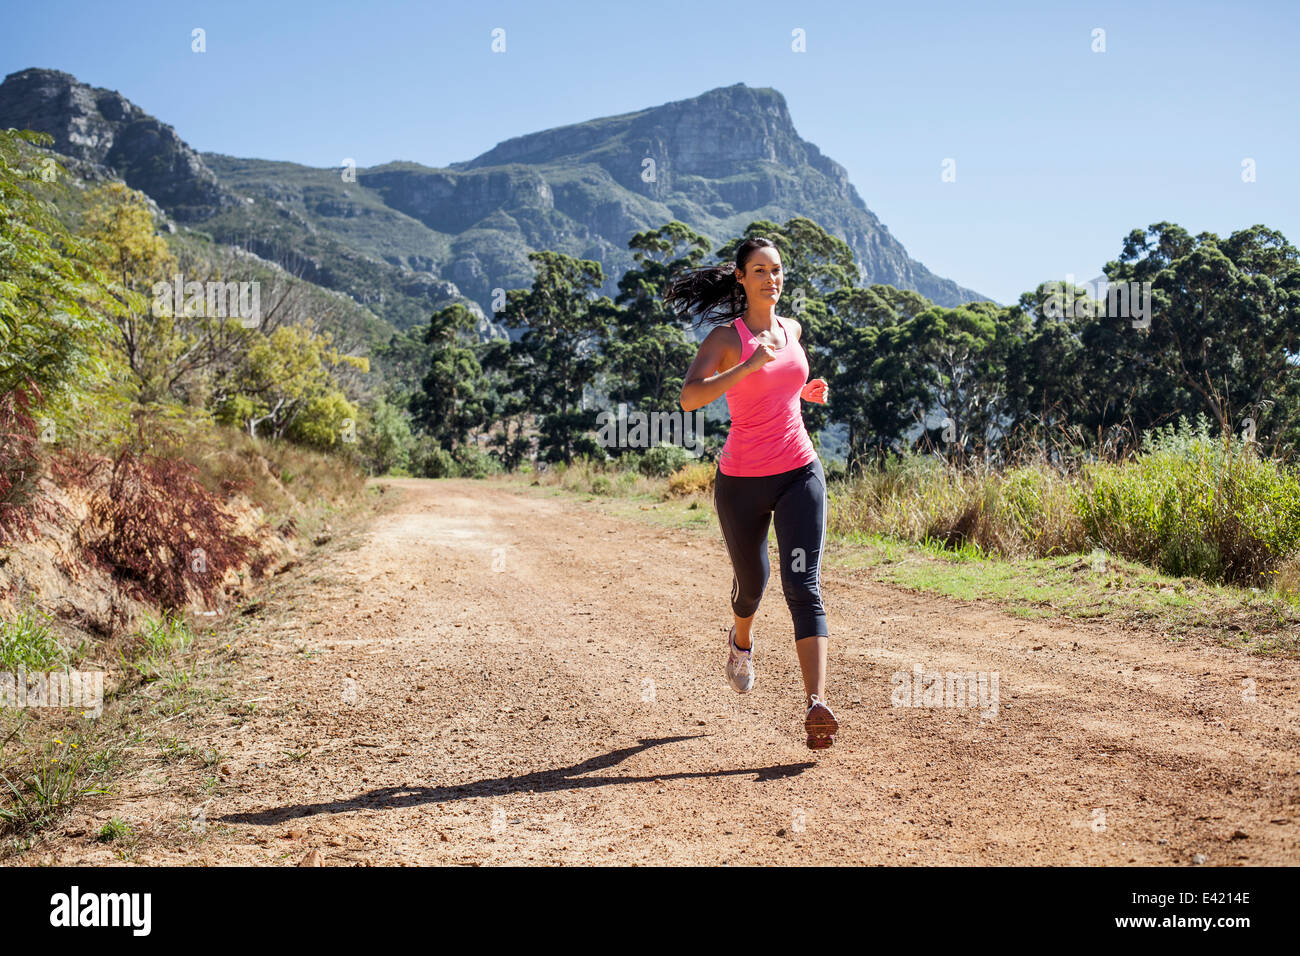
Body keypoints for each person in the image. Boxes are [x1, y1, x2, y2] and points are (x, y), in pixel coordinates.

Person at [666, 237, 839, 750]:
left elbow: (783, 384)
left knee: (803, 583)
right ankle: (741, 639)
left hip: (798, 471)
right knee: (753, 584)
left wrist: (804, 390)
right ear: (740, 278)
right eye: (759, 270)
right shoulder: (727, 337)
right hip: (741, 481)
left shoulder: (793, 330)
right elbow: (689, 398)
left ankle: (816, 704)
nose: (771, 278)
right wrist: (746, 367)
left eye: (777, 270)